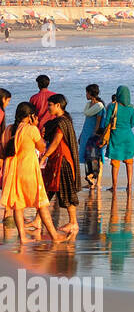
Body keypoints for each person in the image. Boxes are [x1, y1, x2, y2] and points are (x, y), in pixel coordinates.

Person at [1, 102, 72, 243]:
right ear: (30, 116)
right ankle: (54, 236)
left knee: (18, 206)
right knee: (41, 204)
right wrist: (36, 127)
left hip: (13, 172)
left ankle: (23, 238)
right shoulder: (31, 129)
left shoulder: (9, 129)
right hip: (29, 171)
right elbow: (41, 147)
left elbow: (3, 150)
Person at [40, 94, 80, 231]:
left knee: (66, 191)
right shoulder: (60, 121)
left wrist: (44, 156)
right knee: (48, 190)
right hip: (56, 158)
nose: (48, 108)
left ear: (58, 105)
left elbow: (56, 141)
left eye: (50, 105)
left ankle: (73, 222)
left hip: (62, 160)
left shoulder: (62, 122)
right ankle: (37, 220)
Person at [102, 86, 134, 194]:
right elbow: (132, 124)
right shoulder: (133, 108)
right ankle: (129, 186)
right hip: (129, 138)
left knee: (115, 164)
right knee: (129, 163)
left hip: (116, 137)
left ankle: (114, 186)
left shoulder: (112, 106)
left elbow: (106, 123)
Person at [80, 84, 105, 191]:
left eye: (87, 92)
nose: (86, 94)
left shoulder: (99, 106)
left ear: (91, 93)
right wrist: (82, 134)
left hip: (94, 135)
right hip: (86, 133)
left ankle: (98, 182)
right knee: (87, 158)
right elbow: (86, 121)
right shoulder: (88, 105)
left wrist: (94, 136)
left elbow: (98, 123)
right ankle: (91, 183)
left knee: (96, 158)